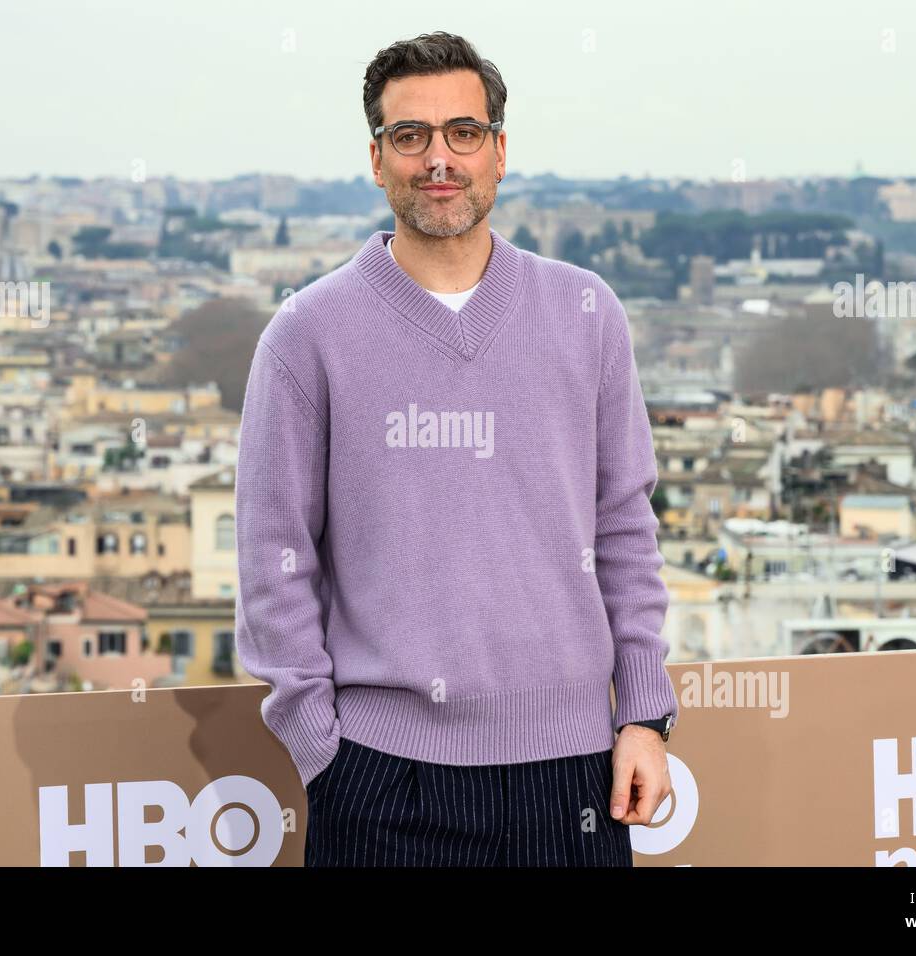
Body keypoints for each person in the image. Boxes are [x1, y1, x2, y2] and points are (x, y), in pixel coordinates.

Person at [235, 31, 678, 867]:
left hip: (576, 777)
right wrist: (321, 753)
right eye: (411, 137)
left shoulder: (587, 312)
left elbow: (625, 526)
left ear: (500, 151)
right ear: (377, 159)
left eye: (463, 133)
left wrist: (644, 715)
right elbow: (274, 557)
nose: (439, 159)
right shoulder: (307, 334)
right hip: (379, 782)